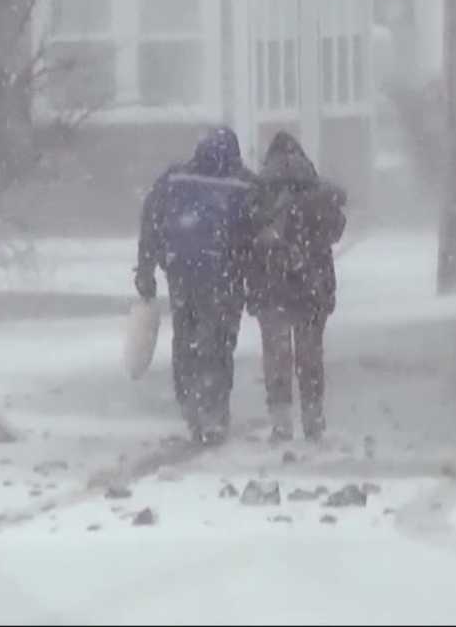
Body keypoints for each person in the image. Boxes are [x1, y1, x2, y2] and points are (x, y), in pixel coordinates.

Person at [134, 127, 255, 446]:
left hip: (181, 273)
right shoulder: (243, 184)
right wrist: (254, 278)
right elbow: (256, 234)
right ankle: (214, 410)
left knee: (185, 338)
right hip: (224, 276)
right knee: (219, 343)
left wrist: (146, 268)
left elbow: (151, 221)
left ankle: (190, 404)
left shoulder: (175, 180)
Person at [246, 132, 347, 442]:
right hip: (311, 286)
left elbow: (246, 239)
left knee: (276, 357)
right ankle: (313, 420)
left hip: (271, 286)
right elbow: (336, 230)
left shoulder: (258, 194)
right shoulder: (319, 193)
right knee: (310, 356)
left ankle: (281, 423)